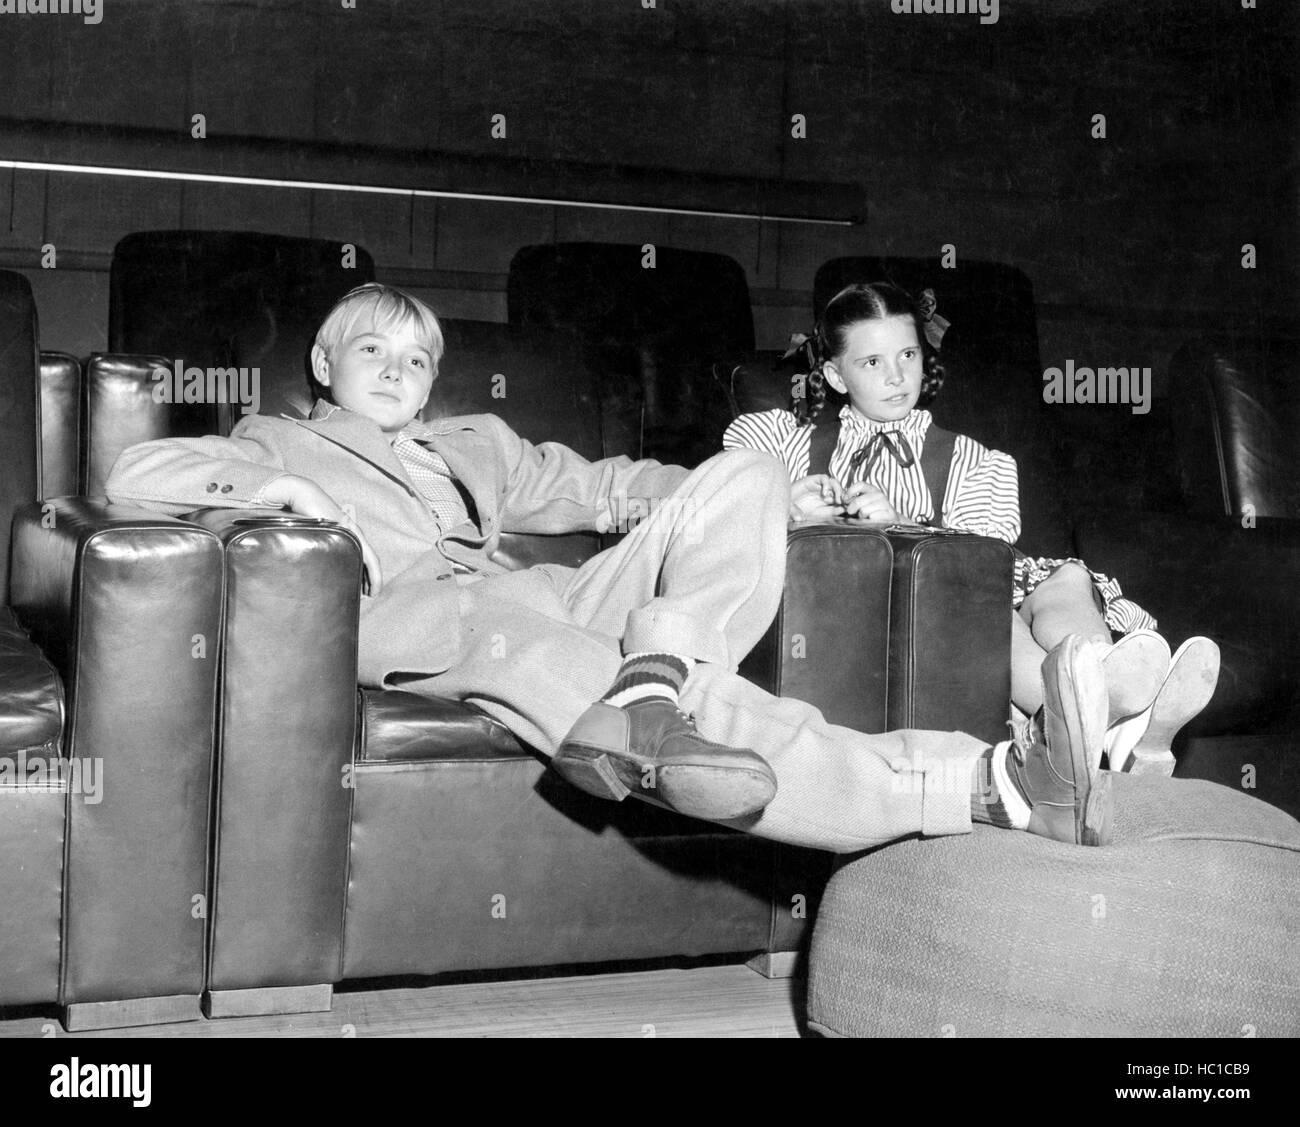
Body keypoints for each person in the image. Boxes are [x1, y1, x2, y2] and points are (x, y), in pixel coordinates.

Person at [107, 282, 1114, 849]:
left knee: (747, 472)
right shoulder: (273, 439)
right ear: (325, 366)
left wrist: (779, 498)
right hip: (416, 618)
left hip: (543, 591)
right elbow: (135, 471)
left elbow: (609, 485)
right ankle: (982, 781)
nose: (398, 371)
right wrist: (294, 495)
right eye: (372, 351)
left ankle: (652, 677)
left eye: (416, 359)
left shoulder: (479, 442)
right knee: (564, 656)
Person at [723, 281, 1219, 776]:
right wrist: (792, 500)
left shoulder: (971, 458)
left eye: (908, 354)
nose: (897, 376)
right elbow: (730, 488)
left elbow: (990, 552)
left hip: (988, 576)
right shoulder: (786, 440)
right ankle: (1114, 726)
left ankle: (1114, 701)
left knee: (1066, 580)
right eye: (872, 362)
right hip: (934, 601)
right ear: (834, 374)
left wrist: (904, 521)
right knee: (976, 601)